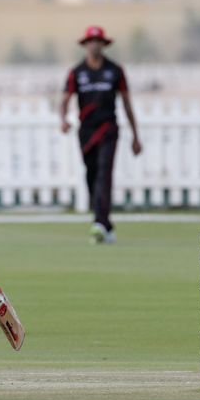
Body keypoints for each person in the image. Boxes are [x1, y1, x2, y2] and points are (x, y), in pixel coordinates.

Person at [60, 26, 141, 244]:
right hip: (86, 132)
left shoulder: (115, 71)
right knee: (92, 175)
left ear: (104, 44)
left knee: (105, 173)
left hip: (108, 130)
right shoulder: (77, 72)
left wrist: (135, 136)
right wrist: (64, 119)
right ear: (85, 45)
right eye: (91, 41)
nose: (94, 45)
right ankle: (105, 225)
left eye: (98, 41)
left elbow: (126, 103)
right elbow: (65, 99)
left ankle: (98, 222)